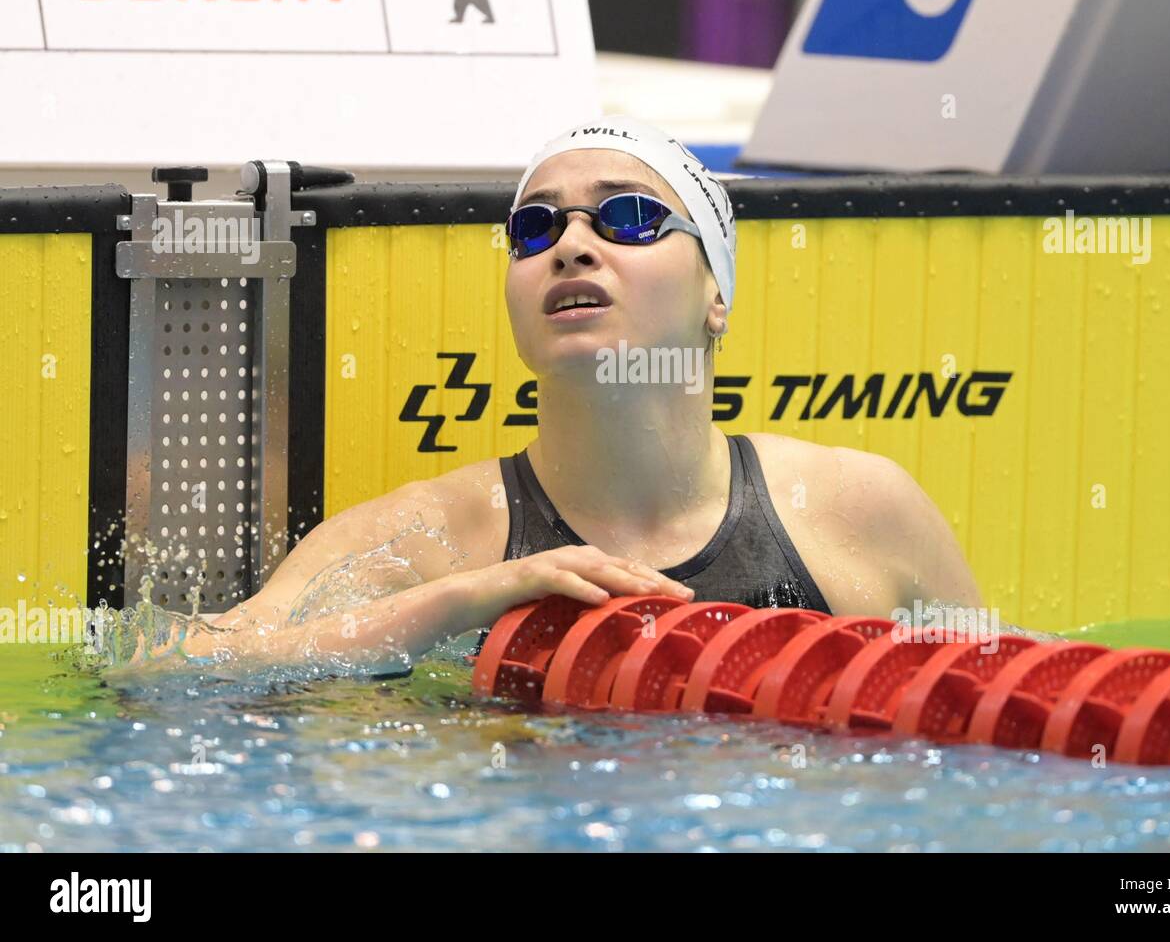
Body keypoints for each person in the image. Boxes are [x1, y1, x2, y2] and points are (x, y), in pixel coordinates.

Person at [151, 116, 982, 670]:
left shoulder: (858, 511)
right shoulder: (431, 539)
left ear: (715, 293)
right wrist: (461, 601)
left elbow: (1014, 728)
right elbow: (164, 669)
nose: (573, 244)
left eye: (626, 217)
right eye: (536, 227)